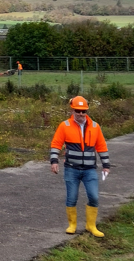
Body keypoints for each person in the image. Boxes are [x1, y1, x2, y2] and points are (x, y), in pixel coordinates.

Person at [50, 95, 110, 237]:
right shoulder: (64, 126)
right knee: (72, 197)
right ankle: (72, 225)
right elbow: (56, 144)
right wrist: (54, 161)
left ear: (87, 112)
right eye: (78, 111)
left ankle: (91, 226)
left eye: (84, 111)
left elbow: (101, 146)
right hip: (71, 169)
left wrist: (106, 164)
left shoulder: (95, 127)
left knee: (94, 197)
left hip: (89, 170)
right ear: (72, 110)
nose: (81, 114)